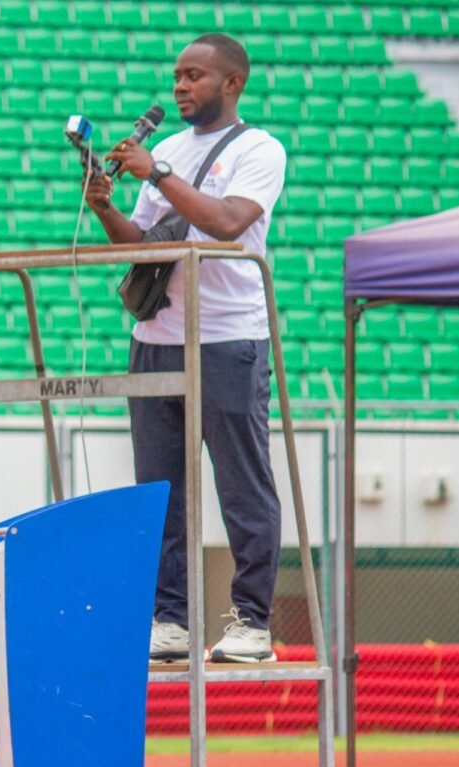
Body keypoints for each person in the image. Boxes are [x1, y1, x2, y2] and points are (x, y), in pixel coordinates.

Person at [88, 33, 288, 664]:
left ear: (232, 83)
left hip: (227, 337)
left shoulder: (260, 149)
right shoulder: (167, 149)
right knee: (159, 489)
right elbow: (140, 247)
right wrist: (105, 209)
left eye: (195, 76)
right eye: (176, 76)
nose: (180, 86)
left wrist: (159, 173)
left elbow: (228, 223)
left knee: (241, 484)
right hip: (157, 337)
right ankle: (169, 619)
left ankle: (252, 621)